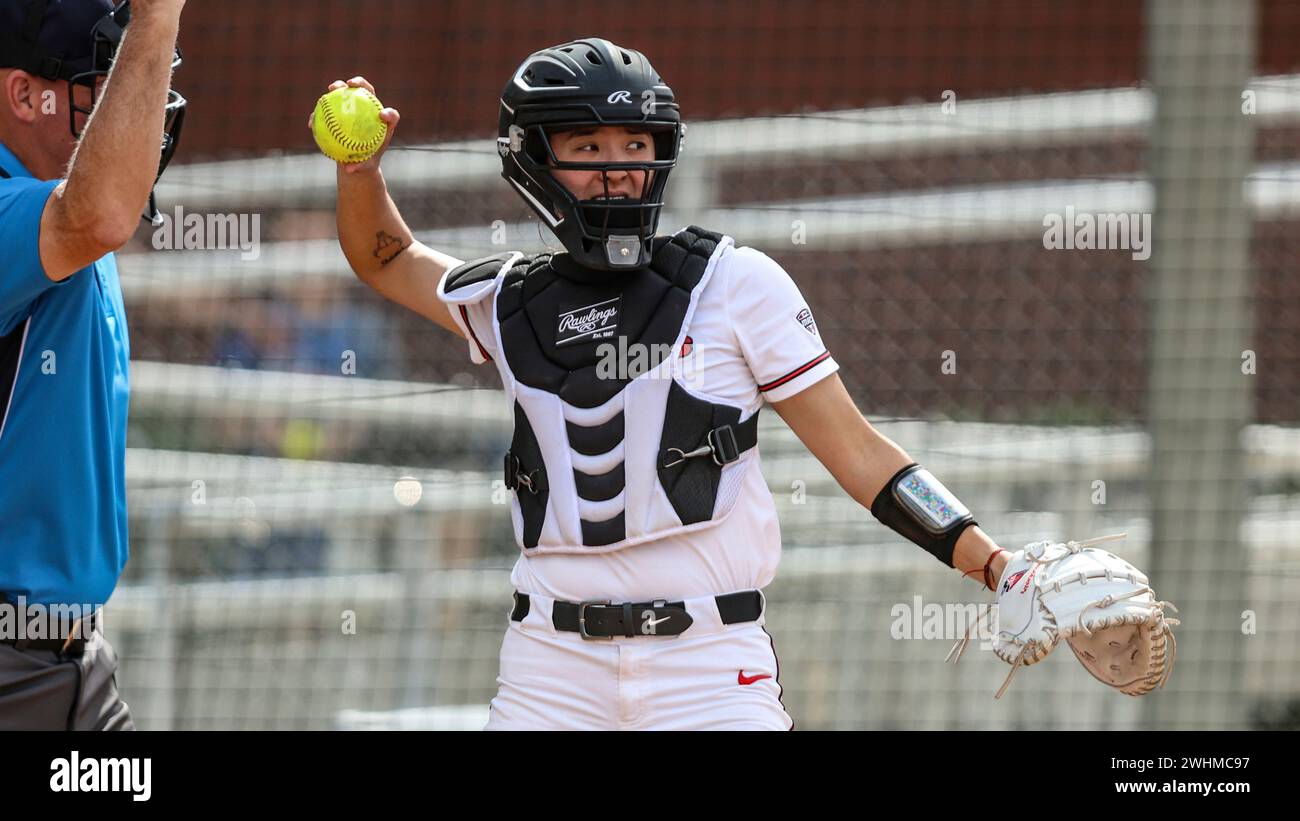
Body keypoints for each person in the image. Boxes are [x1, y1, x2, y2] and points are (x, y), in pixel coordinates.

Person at [325, 38, 1018, 730]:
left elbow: (862, 454)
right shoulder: (510, 301)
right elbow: (388, 259)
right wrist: (359, 172)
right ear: (533, 159)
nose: (617, 170)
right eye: (587, 148)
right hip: (548, 672)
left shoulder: (735, 283)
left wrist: (992, 562)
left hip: (711, 669)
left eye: (634, 144)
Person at [0, 0, 186, 730]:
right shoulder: (53, 215)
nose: (133, 109)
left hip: (76, 661)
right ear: (23, 95)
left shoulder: (64, 219)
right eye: (99, 86)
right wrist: (157, 17)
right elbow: (100, 210)